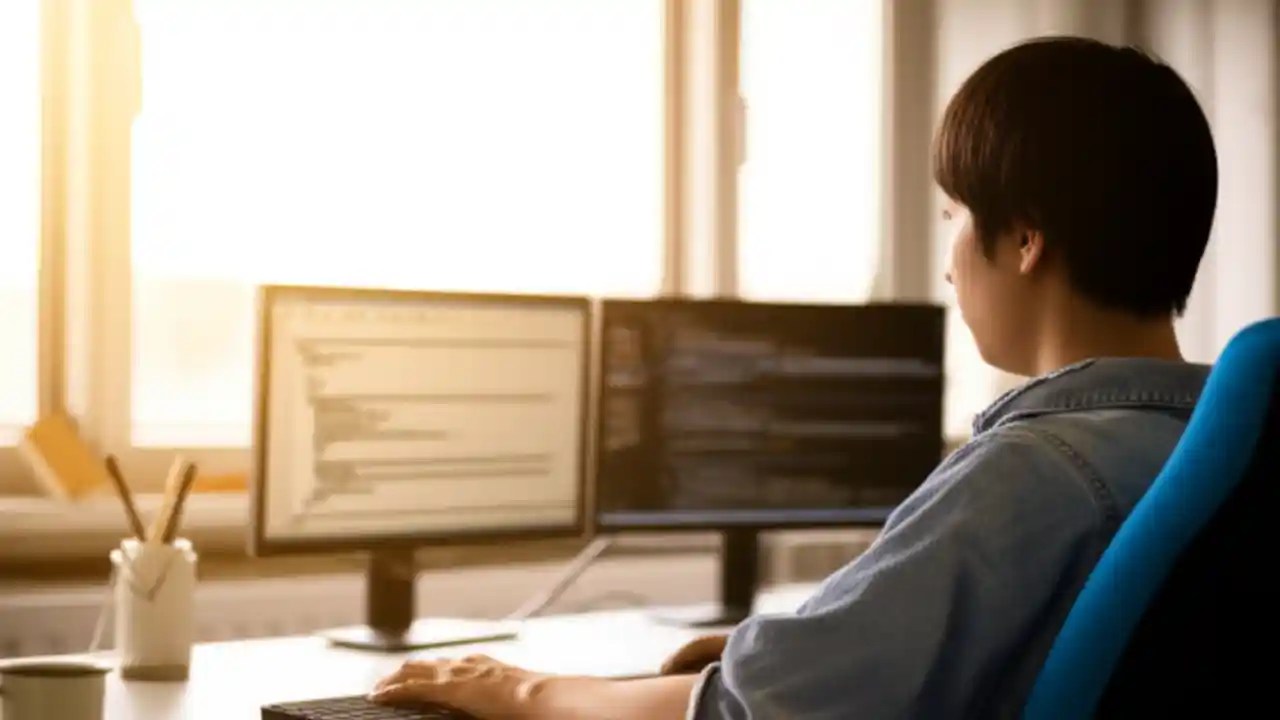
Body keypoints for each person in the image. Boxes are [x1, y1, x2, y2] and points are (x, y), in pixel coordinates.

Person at [369, 35, 1218, 719]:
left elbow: (758, 713)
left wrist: (526, 690)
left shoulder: (1032, 472)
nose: (952, 264)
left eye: (955, 216)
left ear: (1025, 240)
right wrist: (797, 647)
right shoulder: (1215, 456)